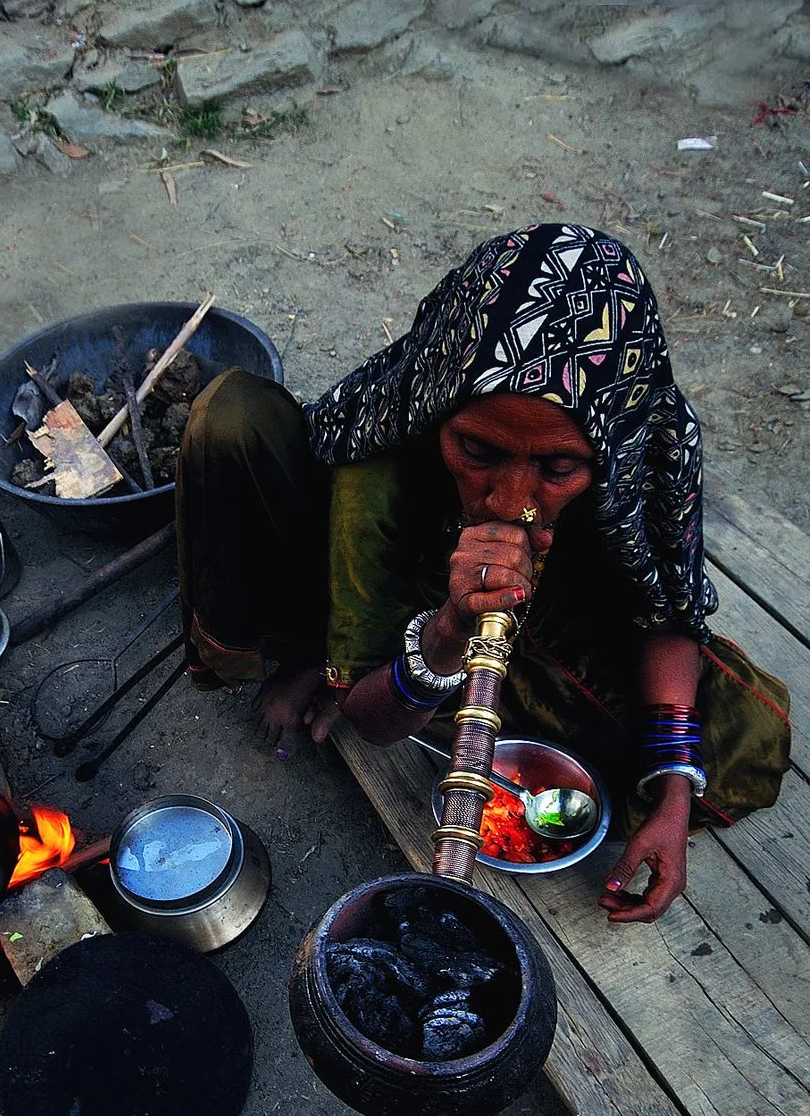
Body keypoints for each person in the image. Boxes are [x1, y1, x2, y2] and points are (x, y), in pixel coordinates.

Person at [175, 224, 790, 924]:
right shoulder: (382, 468)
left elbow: (665, 608)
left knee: (740, 744)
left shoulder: (645, 433)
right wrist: (445, 631)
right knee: (374, 679)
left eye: (557, 468)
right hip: (418, 600)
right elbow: (371, 721)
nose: (509, 500)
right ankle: (323, 655)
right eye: (477, 450)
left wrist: (674, 790)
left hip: (546, 611)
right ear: (438, 412)